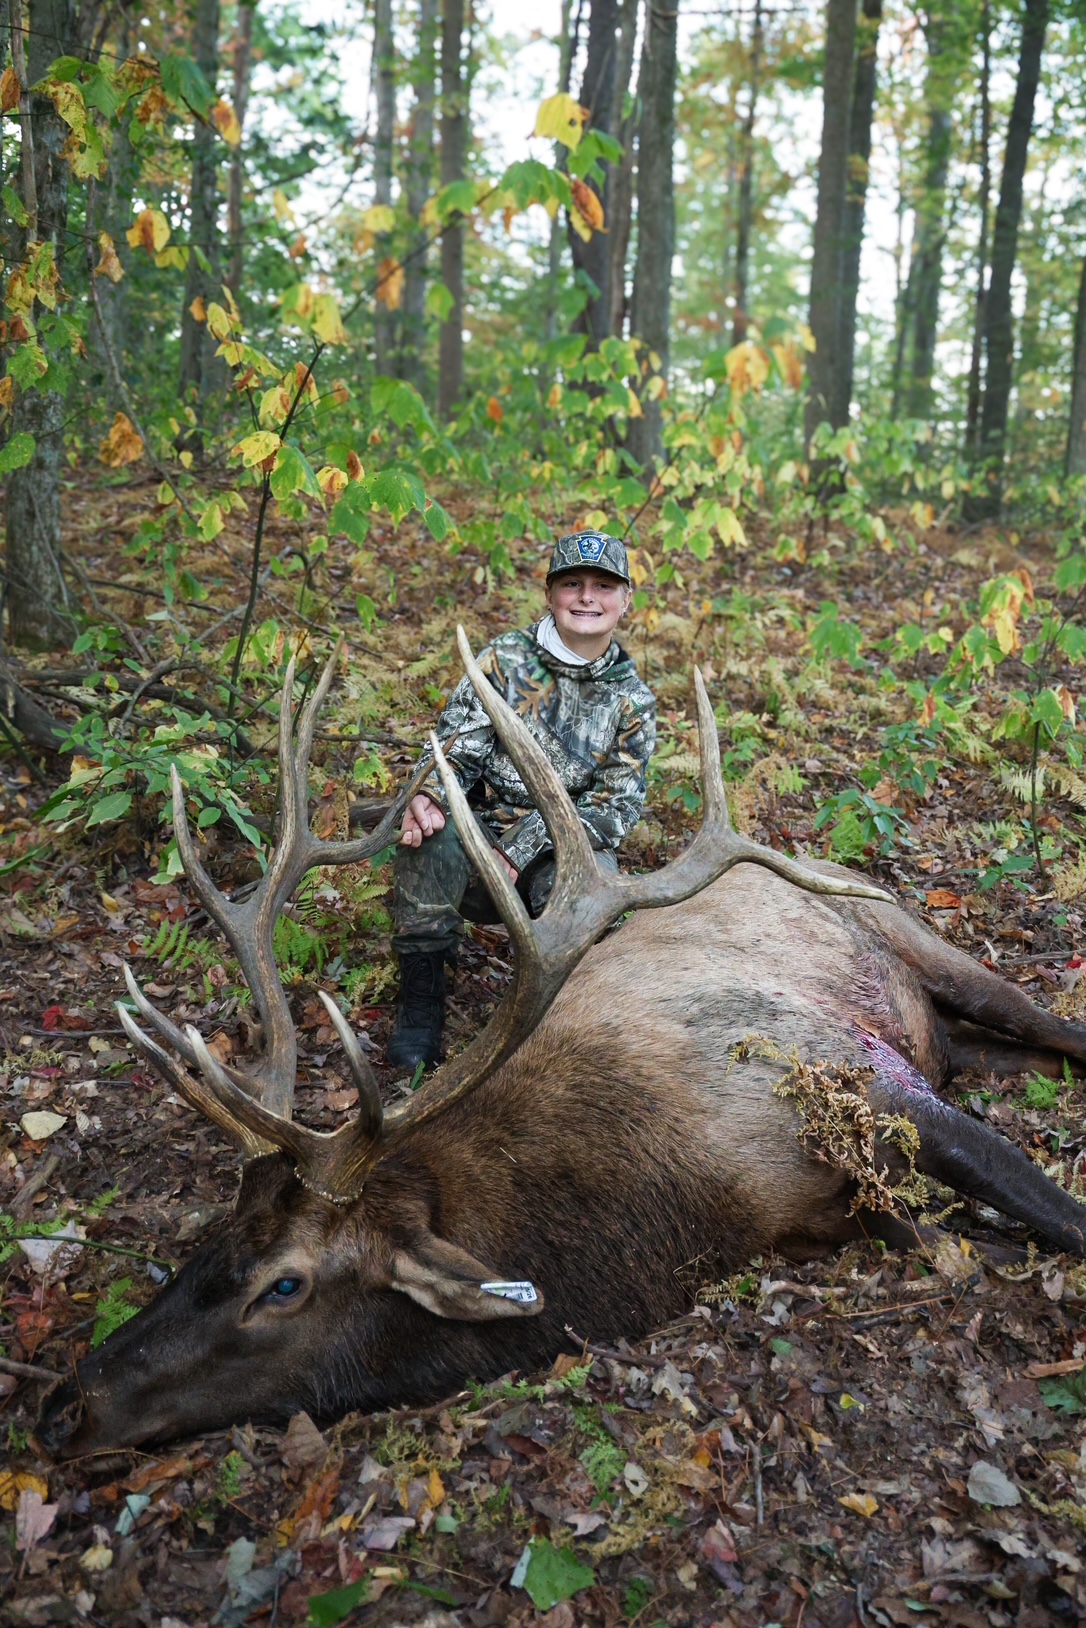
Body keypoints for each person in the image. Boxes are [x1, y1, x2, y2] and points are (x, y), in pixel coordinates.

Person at [387, 529, 657, 1073]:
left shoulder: (632, 700)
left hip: (564, 848)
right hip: (484, 834)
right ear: (550, 594)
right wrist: (432, 794)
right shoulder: (503, 661)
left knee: (586, 895)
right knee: (431, 836)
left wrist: (525, 843)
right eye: (572, 584)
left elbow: (614, 811)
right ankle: (421, 1001)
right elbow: (455, 749)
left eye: (603, 586)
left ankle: (566, 1016)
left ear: (625, 601)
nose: (587, 597)